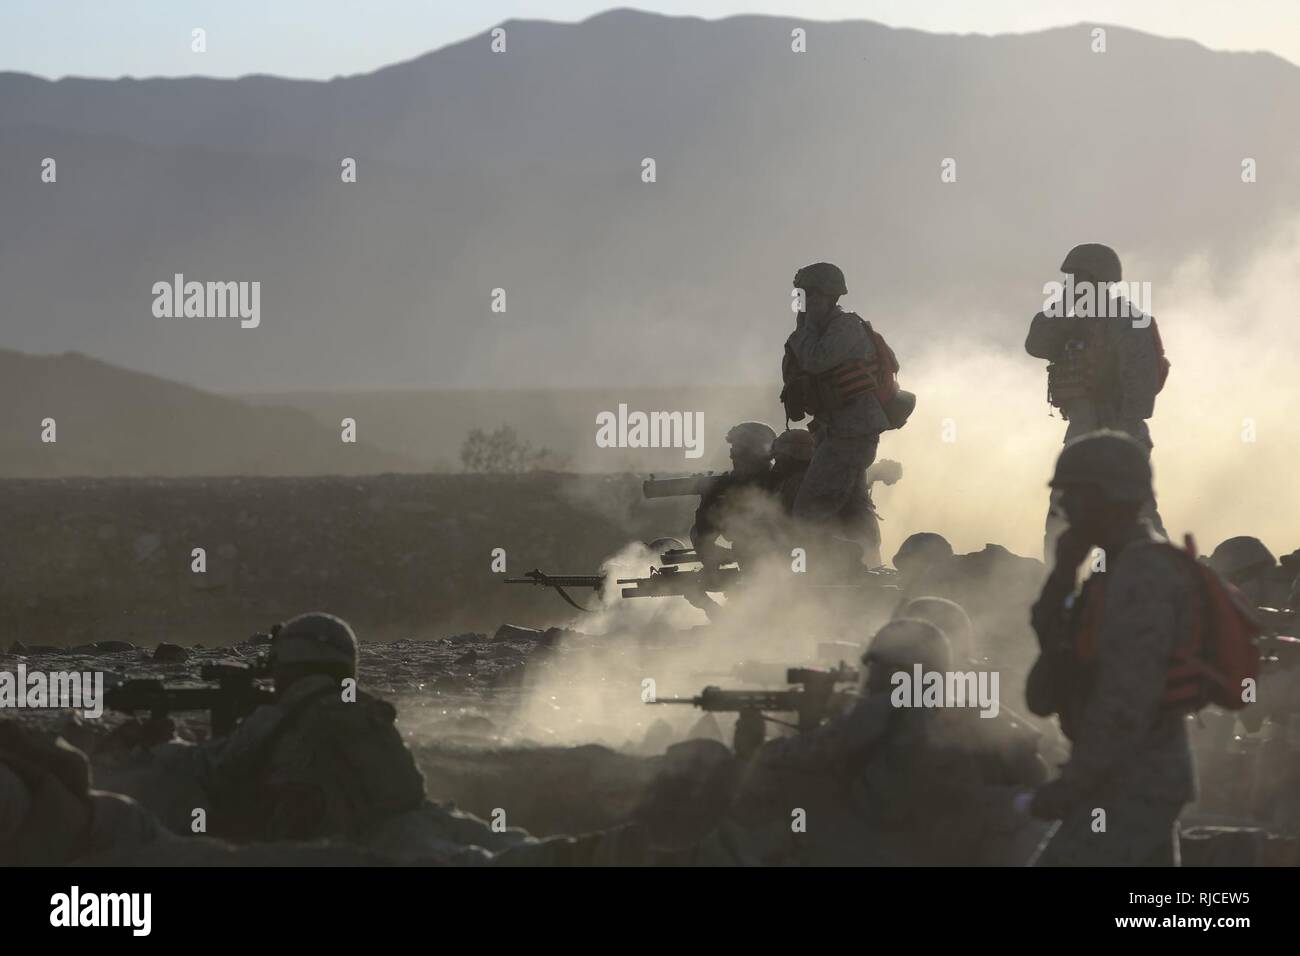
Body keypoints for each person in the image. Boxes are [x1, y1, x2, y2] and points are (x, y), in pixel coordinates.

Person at [144, 613, 649, 865]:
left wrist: (174, 741)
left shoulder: (286, 715)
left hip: (382, 835)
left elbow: (223, 769)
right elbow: (403, 787)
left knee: (491, 853)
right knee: (504, 850)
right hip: (396, 827)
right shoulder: (331, 709)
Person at [1025, 430, 1194, 866]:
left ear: (1108, 495)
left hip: (1133, 777)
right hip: (1132, 776)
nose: (1065, 509)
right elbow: (1053, 647)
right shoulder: (1114, 567)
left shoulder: (1144, 572)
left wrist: (1075, 782)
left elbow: (1126, 698)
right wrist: (1063, 572)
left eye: (1075, 495)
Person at [1025, 243, 1168, 557]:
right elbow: (1036, 344)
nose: (1072, 283)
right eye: (1071, 278)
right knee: (1062, 513)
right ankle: (1060, 585)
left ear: (1099, 278)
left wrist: (1123, 437)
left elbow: (1140, 385)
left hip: (1121, 431)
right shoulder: (1073, 322)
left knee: (1138, 513)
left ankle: (1166, 575)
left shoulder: (1128, 320)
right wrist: (1063, 306)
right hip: (1081, 430)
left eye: (1079, 276)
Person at [781, 262, 911, 575]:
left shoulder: (845, 327)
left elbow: (816, 360)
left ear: (823, 296)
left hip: (851, 433)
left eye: (807, 296)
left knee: (808, 512)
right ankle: (868, 565)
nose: (801, 303)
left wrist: (805, 329)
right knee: (855, 508)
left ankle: (844, 566)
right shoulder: (821, 329)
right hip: (837, 432)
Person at [689, 421, 778, 574]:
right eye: (733, 449)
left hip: (774, 562)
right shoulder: (735, 483)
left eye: (738, 450)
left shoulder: (778, 483)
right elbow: (706, 531)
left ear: (756, 452)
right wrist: (708, 498)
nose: (732, 456)